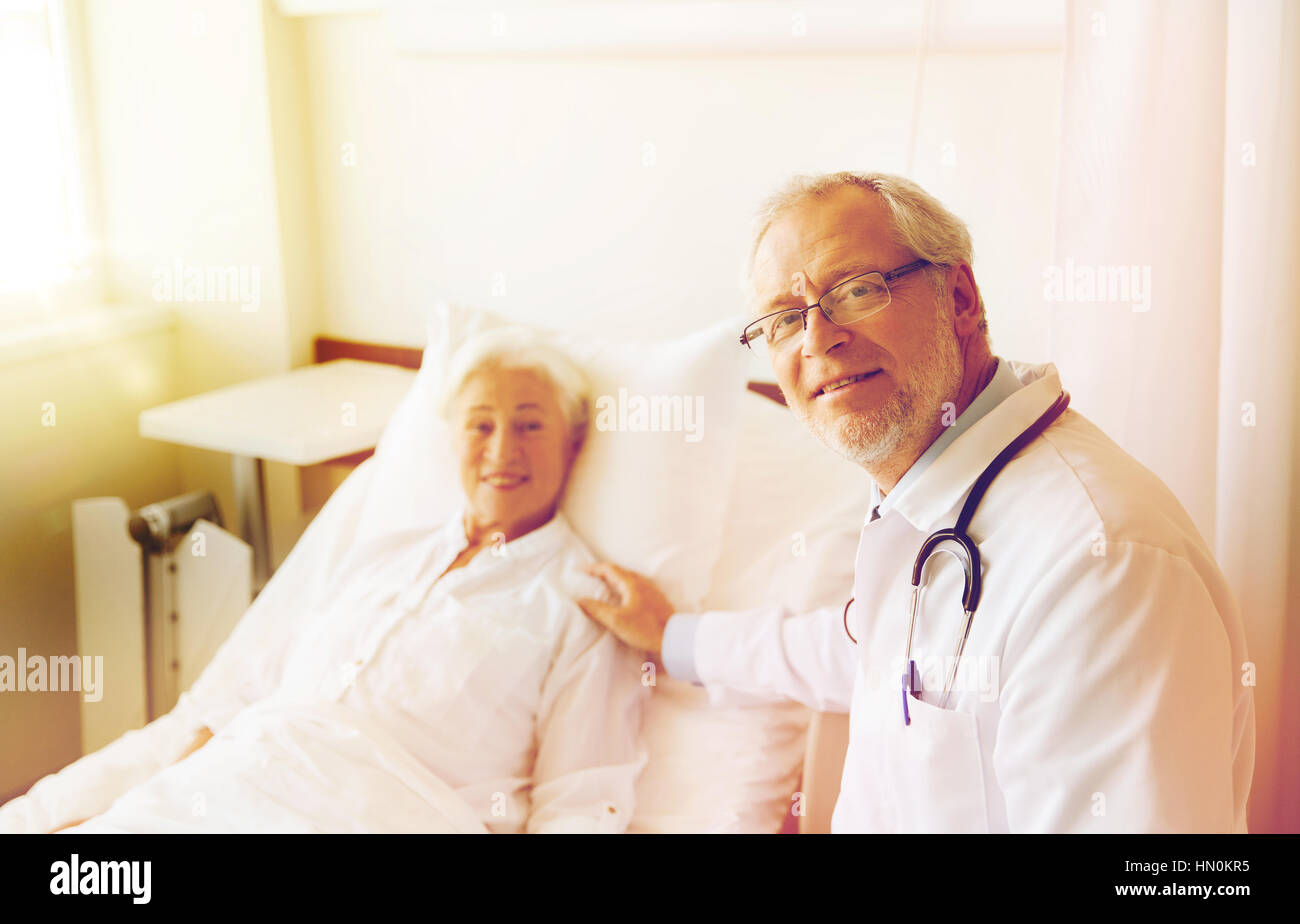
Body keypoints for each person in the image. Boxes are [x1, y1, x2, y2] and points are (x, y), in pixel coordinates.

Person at [579, 171, 1254, 833]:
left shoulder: (1100, 567)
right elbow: (859, 655)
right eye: (784, 320)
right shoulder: (933, 506)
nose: (818, 339)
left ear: (959, 297)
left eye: (856, 290)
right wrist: (674, 639)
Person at [4, 329, 647, 834]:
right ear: (452, 437)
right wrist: (136, 808)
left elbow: (580, 805)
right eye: (480, 423)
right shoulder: (380, 553)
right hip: (231, 787)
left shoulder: (583, 604)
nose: (503, 449)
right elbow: (237, 702)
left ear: (574, 441)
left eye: (531, 424)